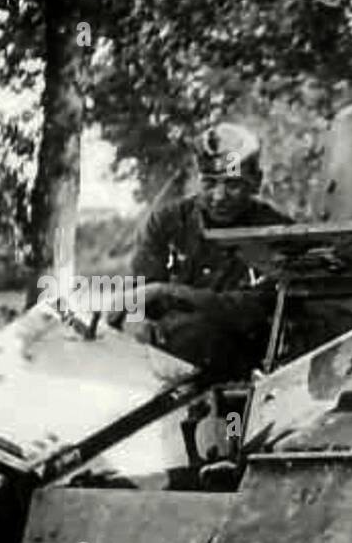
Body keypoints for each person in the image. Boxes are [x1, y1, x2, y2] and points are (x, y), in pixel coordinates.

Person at [118, 122, 292, 374]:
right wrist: (136, 319)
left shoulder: (277, 232)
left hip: (236, 363)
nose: (219, 196)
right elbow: (138, 290)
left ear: (256, 182)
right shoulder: (167, 222)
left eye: (232, 184)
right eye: (210, 183)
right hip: (160, 360)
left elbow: (253, 310)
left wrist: (168, 291)